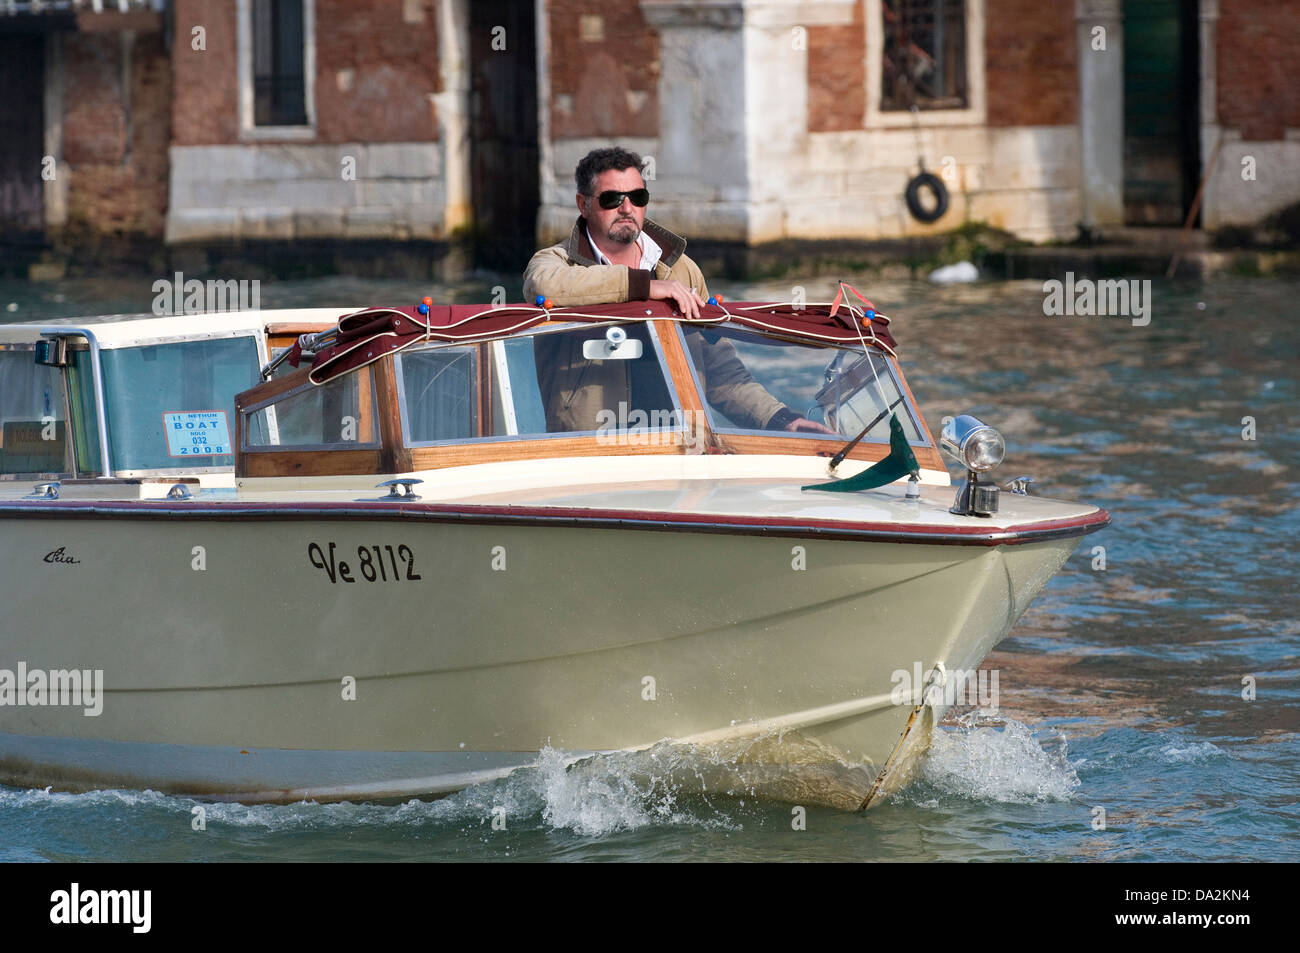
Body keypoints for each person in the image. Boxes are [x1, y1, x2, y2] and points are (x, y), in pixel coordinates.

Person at [523, 147, 834, 435]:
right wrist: (644, 287)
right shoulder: (554, 264)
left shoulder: (682, 270)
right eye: (612, 199)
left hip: (680, 449)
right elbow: (544, 286)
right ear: (584, 204)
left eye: (637, 196)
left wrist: (782, 420)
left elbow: (718, 369)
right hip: (591, 452)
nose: (627, 208)